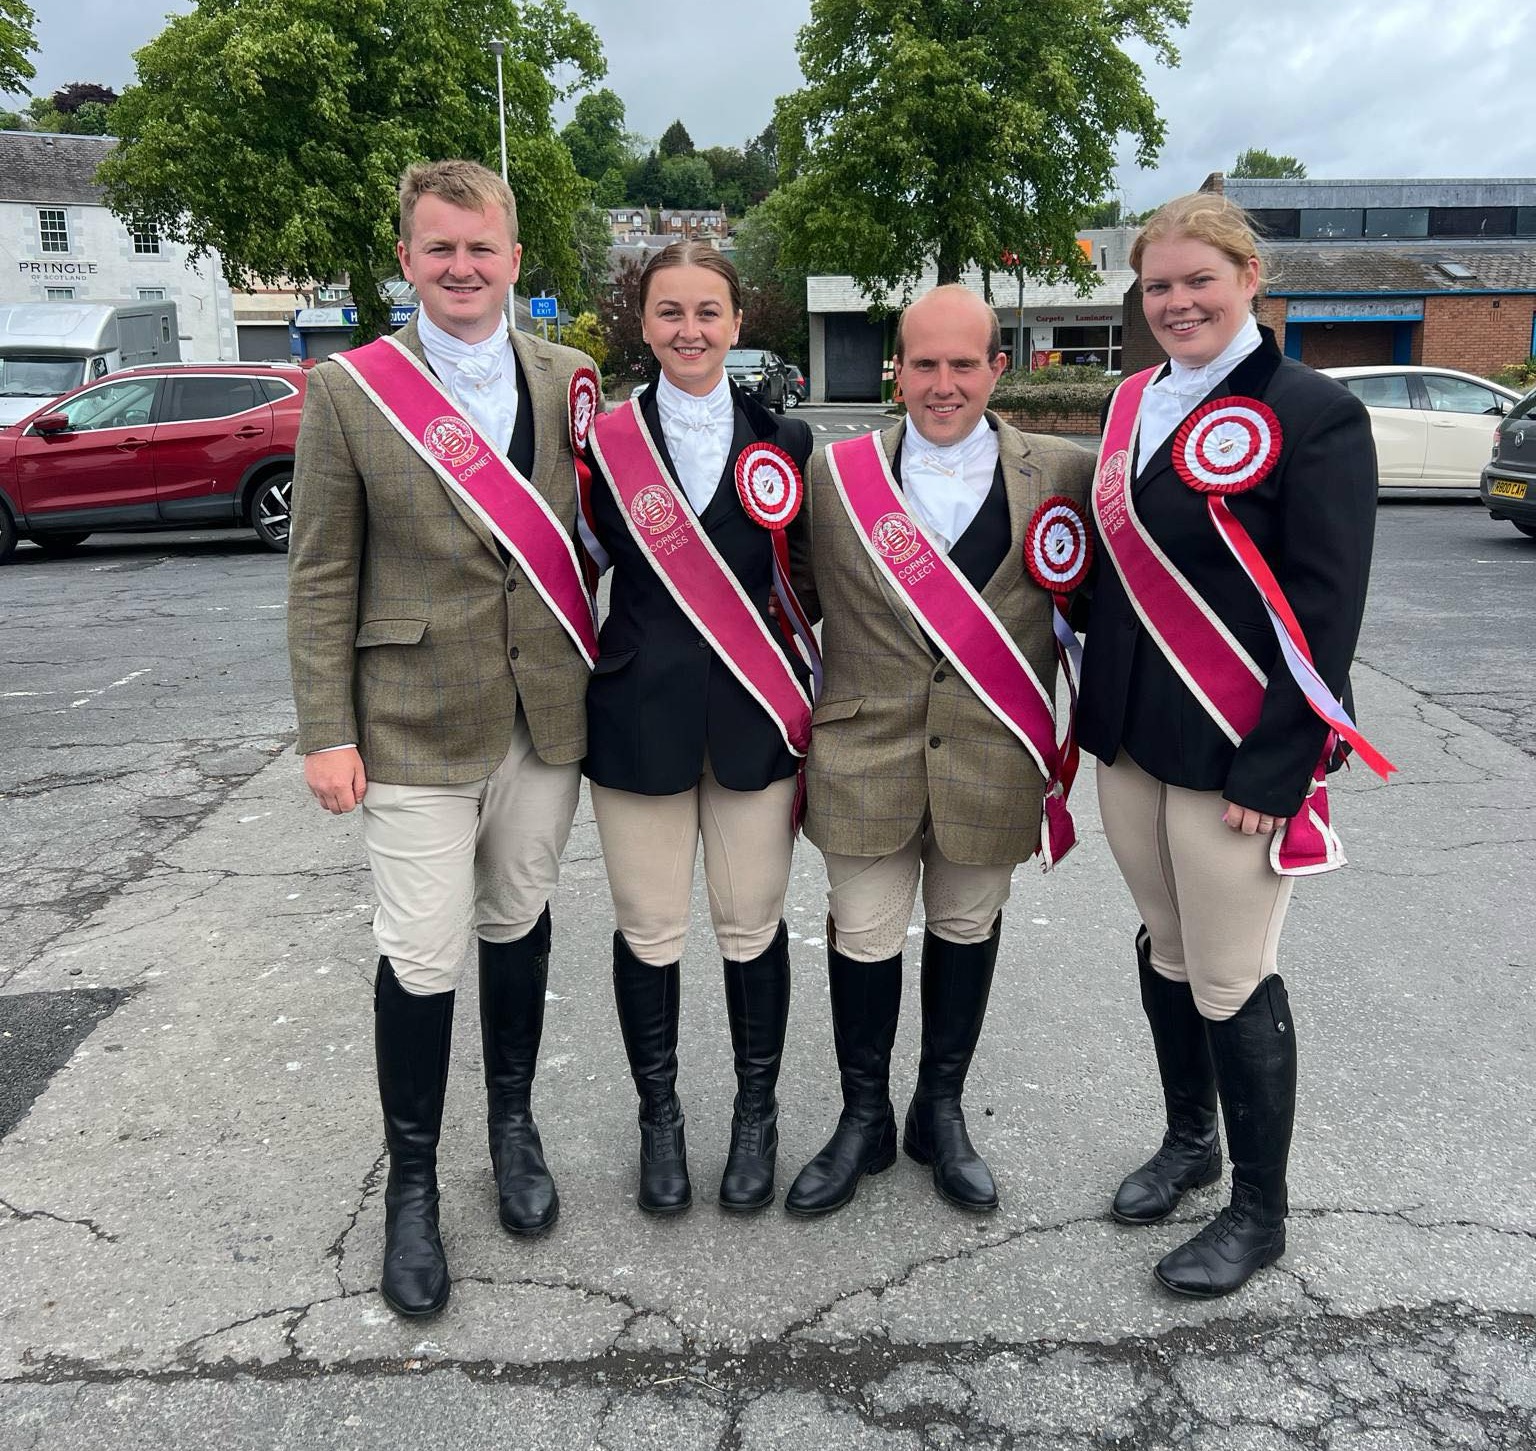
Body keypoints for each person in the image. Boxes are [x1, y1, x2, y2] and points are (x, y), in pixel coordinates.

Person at [287, 159, 600, 1317]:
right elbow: (322, 572)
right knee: (422, 954)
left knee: (517, 920)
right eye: (439, 248)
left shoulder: (569, 376)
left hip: (543, 715)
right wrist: (326, 729)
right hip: (410, 723)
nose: (461, 268)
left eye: (480, 248)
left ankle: (513, 1128)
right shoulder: (349, 391)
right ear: (407, 260)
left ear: (514, 259)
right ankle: (412, 1186)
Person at [1078, 192, 1383, 1298]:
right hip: (1131, 739)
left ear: (1251, 277)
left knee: (1231, 971)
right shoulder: (1131, 404)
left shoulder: (1314, 412)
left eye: (1199, 279)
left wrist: (1281, 760)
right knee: (1166, 947)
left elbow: (1327, 607)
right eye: (1158, 284)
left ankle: (1260, 1212)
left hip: (1237, 749)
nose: (1177, 302)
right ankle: (1189, 1143)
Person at [786, 284, 1094, 1217]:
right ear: (899, 371)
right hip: (863, 755)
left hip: (993, 756)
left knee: (966, 929)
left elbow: (1116, 603)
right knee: (864, 935)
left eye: (964, 364)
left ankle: (940, 1110)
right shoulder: (834, 477)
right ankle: (863, 1117)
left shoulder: (1065, 474)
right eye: (924, 364)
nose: (943, 383)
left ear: (999, 368)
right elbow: (786, 602)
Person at [580, 242, 816, 1215]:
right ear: (643, 324)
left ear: (736, 322)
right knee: (650, 928)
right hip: (639, 715)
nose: (690, 330)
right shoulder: (603, 443)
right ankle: (660, 1119)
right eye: (670, 311)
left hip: (753, 717)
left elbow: (806, 582)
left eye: (708, 311)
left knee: (752, 923)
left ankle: (756, 1115)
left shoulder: (785, 439)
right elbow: (572, 571)